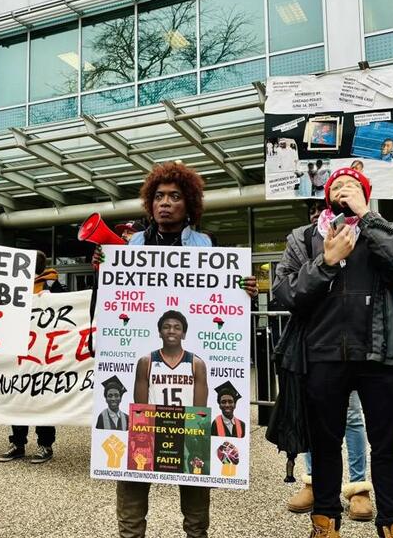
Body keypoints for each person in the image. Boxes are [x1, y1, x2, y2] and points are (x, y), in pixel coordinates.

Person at [274, 167, 393, 538]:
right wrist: (325, 262)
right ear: (326, 196)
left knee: (387, 444)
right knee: (325, 445)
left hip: (381, 356)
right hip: (322, 356)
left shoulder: (381, 230)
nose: (344, 190)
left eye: (353, 187)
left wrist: (369, 219)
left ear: (366, 194)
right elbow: (284, 293)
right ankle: (326, 522)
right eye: (337, 186)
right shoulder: (304, 237)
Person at [109, 161, 258, 538]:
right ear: (149, 203)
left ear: (188, 204)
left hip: (188, 411)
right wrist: (104, 274)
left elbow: (221, 300)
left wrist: (244, 291)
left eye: (175, 196)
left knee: (195, 468)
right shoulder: (133, 247)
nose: (165, 203)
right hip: (147, 402)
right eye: (159, 196)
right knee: (132, 467)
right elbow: (115, 305)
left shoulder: (207, 246)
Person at [284, 201, 373, 522]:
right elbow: (290, 289)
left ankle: (359, 486)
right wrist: (324, 260)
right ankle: (314, 482)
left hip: (347, 343)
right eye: (315, 212)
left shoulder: (358, 237)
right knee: (313, 417)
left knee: (351, 416)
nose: (321, 218)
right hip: (312, 345)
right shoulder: (302, 241)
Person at [0, 250, 65, 465]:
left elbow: (66, 312)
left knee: (41, 397)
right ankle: (17, 443)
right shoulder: (14, 285)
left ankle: (45, 444)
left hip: (43, 354)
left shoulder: (52, 285)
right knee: (17, 396)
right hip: (19, 352)